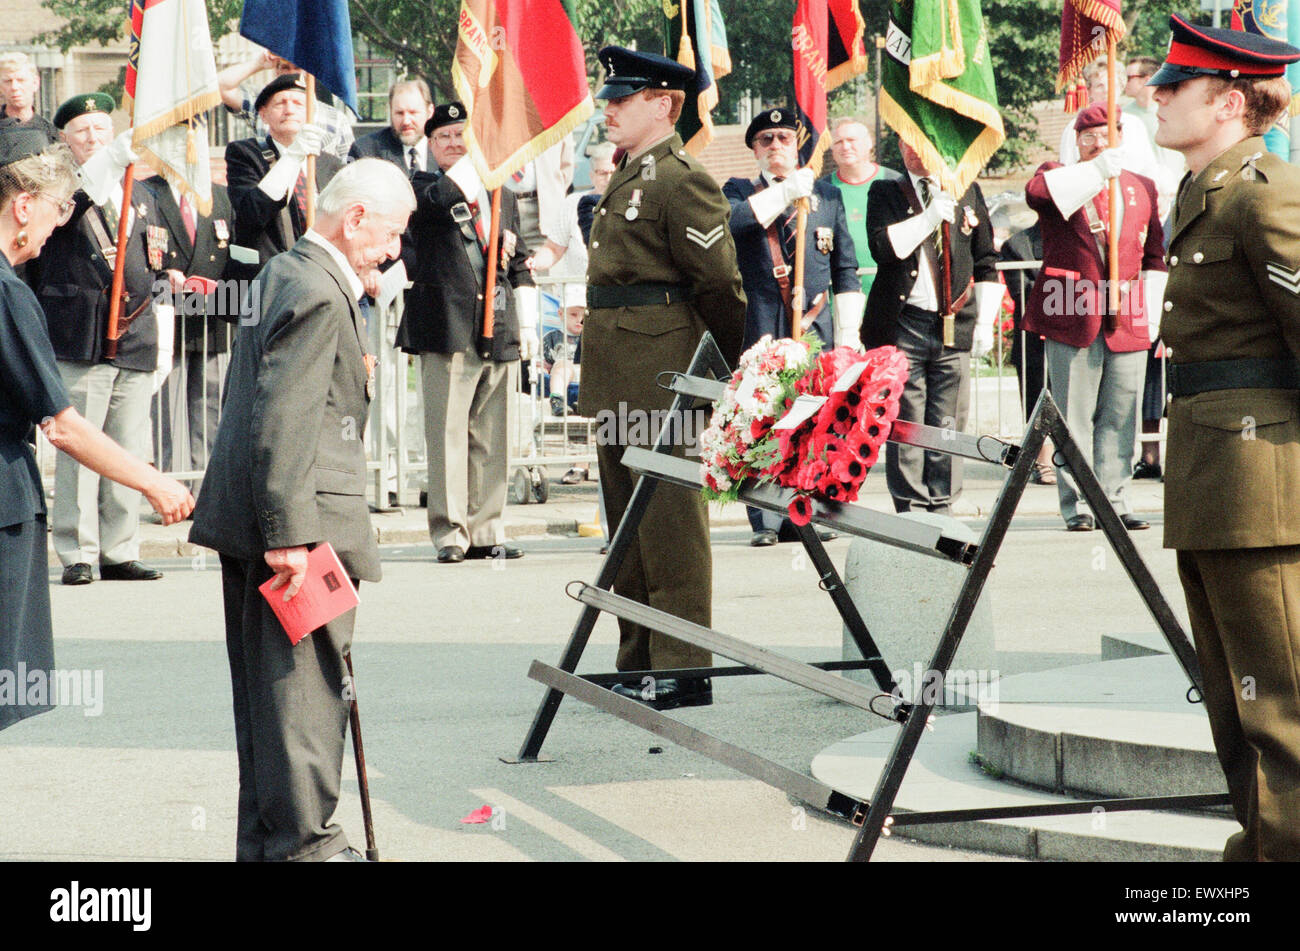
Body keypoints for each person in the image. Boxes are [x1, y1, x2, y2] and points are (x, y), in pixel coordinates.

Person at [188, 159, 415, 862]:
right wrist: (292, 537)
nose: (393, 249)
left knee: (269, 703)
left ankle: (273, 844)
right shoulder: (317, 289)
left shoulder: (291, 273)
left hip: (266, 521)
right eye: (391, 233)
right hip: (296, 529)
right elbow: (282, 419)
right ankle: (309, 847)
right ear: (354, 221)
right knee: (303, 703)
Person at [1148, 13, 1300, 862]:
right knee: (1234, 704)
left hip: (1264, 486)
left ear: (1230, 100)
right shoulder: (1205, 189)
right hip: (1213, 479)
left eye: (1176, 85)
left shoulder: (1264, 190)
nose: (1157, 94)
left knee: (1280, 705)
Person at [0, 132, 192, 732]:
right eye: (59, 212)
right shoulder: (8, 292)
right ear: (23, 204)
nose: (58, 230)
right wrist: (155, 483)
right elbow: (64, 426)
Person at [584, 46, 747, 711]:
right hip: (617, 371)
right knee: (627, 526)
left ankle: (682, 667)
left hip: (666, 375)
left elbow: (722, 289)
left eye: (623, 99)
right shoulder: (628, 173)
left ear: (664, 103)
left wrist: (711, 376)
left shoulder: (682, 179)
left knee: (670, 526)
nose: (609, 109)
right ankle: (639, 660)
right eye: (609, 99)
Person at [27, 93, 167, 586]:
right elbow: (75, 203)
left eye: (102, 129)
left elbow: (155, 265)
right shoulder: (59, 186)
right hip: (79, 337)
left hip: (134, 338)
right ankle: (77, 549)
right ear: (64, 138)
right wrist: (109, 162)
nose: (94, 137)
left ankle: (120, 548)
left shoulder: (143, 193)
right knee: (81, 453)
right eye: (83, 129)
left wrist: (162, 330)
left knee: (128, 448)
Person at [397, 101, 534, 564]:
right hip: (446, 326)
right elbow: (435, 204)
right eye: (445, 138)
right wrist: (479, 162)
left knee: (492, 434)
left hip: (496, 325)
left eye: (463, 135)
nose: (455, 143)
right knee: (449, 432)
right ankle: (450, 532)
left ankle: (486, 528)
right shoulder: (421, 186)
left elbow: (518, 261)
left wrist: (529, 320)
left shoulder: (503, 195)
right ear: (430, 146)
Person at [1022, 103, 1166, 533]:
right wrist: (1097, 169)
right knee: (1073, 415)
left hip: (1128, 317)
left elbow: (1154, 255)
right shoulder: (1060, 175)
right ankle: (1079, 503)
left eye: (1107, 134)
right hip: (1072, 309)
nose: (1098, 141)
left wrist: (1153, 318)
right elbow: (1040, 194)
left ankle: (1114, 499)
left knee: (1120, 414)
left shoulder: (1142, 186)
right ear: (1077, 140)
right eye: (1089, 135)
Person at [723, 106, 863, 546]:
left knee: (814, 422)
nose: (776, 147)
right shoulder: (738, 190)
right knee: (761, 419)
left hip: (813, 325)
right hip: (762, 324)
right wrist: (785, 195)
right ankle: (765, 519)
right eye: (766, 140)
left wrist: (849, 336)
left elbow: (845, 268)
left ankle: (805, 514)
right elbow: (734, 223)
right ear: (754, 148)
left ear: (798, 145)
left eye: (785, 138)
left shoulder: (825, 196)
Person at [861, 140, 1000, 514]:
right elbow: (884, 249)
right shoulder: (886, 190)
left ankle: (943, 501)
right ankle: (910, 502)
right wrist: (927, 218)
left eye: (921, 142)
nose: (912, 151)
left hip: (953, 323)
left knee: (949, 418)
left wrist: (985, 322)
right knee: (907, 417)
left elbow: (986, 260)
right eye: (905, 141)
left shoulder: (965, 188)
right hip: (904, 322)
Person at [143, 173, 236, 498]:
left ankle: (206, 490)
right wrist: (160, 277)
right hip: (168, 311)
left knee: (210, 406)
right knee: (168, 410)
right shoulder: (149, 191)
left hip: (213, 315)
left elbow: (232, 251)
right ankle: (173, 490)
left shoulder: (219, 194)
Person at [225, 73, 343, 276]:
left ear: (311, 114)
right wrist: (293, 156)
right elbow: (251, 214)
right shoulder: (246, 154)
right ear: (263, 114)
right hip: (269, 276)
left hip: (322, 273)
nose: (289, 110)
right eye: (280, 104)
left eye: (298, 103)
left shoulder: (329, 164)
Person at [999, 221, 1055, 484]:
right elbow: (1025, 292)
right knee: (1036, 400)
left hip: (1076, 333)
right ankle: (1043, 460)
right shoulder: (1017, 245)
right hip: (1033, 339)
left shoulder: (1082, 238)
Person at [827, 117, 901, 299]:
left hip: (890, 294)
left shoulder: (896, 185)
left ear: (869, 143)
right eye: (839, 142)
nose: (845, 147)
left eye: (851, 140)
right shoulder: (822, 191)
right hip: (839, 296)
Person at [1058, 60, 1160, 185]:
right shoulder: (1076, 126)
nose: (1107, 90)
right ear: (1088, 91)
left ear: (1121, 88)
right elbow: (1068, 168)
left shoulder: (1134, 124)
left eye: (1112, 85)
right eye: (1100, 86)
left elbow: (1148, 167)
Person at [349, 78, 436, 174]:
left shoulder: (448, 148)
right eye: (399, 113)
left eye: (413, 113)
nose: (406, 121)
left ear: (430, 111)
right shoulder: (365, 151)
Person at [0, 53, 57, 144]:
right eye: (8, 81)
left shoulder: (50, 133)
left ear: (35, 83)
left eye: (21, 80)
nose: (14, 87)